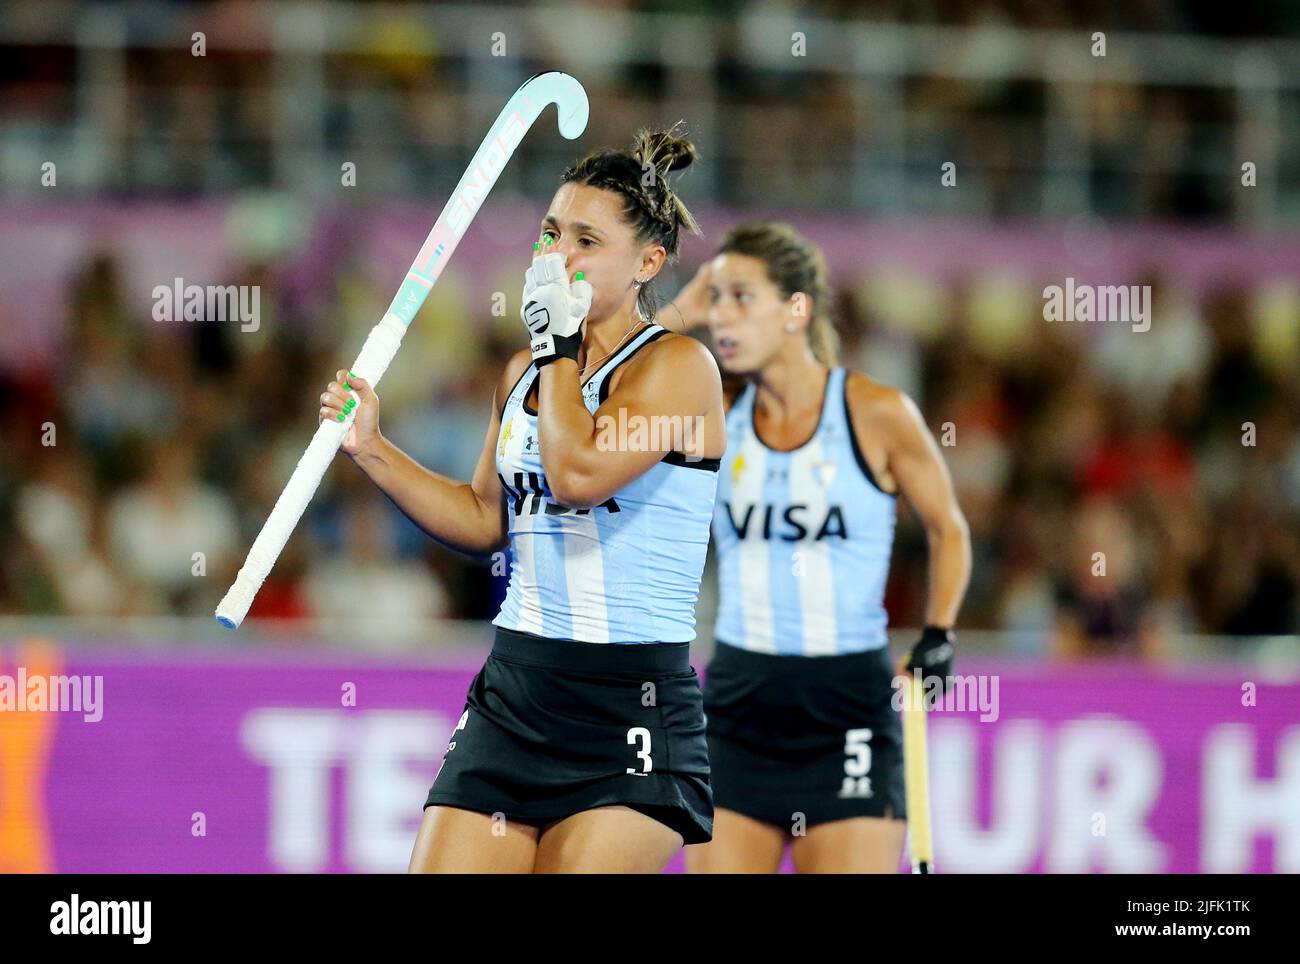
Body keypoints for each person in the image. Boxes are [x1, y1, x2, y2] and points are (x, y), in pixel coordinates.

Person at [317, 125, 727, 873]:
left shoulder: (680, 369)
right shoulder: (526, 371)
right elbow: (485, 521)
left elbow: (576, 474)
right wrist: (372, 447)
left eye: (585, 239)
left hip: (628, 707)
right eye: (549, 231)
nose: (556, 254)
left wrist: (560, 349)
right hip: (516, 690)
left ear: (648, 262)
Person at [663, 221, 971, 872]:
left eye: (741, 297)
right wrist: (676, 315)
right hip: (737, 705)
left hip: (848, 708)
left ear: (797, 310)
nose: (722, 316)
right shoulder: (710, 415)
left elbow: (948, 528)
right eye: (716, 299)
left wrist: (939, 633)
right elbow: (601, 393)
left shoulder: (874, 412)